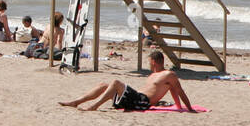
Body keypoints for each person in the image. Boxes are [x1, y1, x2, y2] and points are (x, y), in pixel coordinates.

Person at [58, 50, 194, 111]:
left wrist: (186, 108)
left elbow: (178, 91)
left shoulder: (169, 74)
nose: (148, 64)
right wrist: (178, 107)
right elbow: (174, 91)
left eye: (149, 62)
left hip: (142, 102)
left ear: (153, 61)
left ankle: (95, 106)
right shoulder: (154, 74)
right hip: (134, 99)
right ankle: (76, 102)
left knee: (116, 82)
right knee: (104, 85)